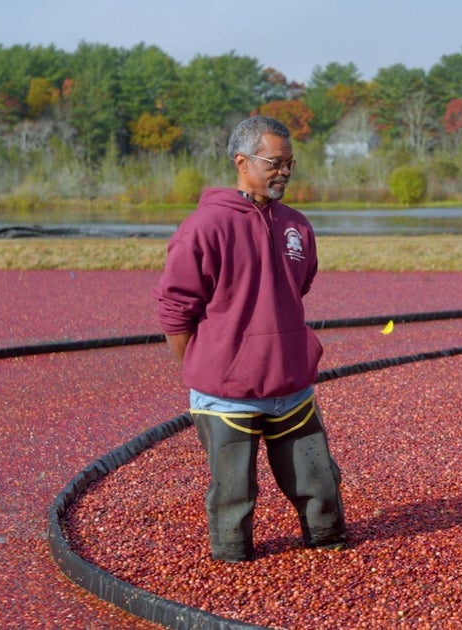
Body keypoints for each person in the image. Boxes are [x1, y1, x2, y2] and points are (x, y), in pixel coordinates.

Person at [154, 115, 346, 563]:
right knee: (234, 493)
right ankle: (232, 563)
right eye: (274, 162)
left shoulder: (296, 225)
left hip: (292, 386)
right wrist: (207, 366)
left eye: (290, 163)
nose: (284, 172)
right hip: (227, 397)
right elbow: (174, 309)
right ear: (242, 161)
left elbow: (298, 286)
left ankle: (330, 545)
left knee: (318, 482)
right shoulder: (205, 227)